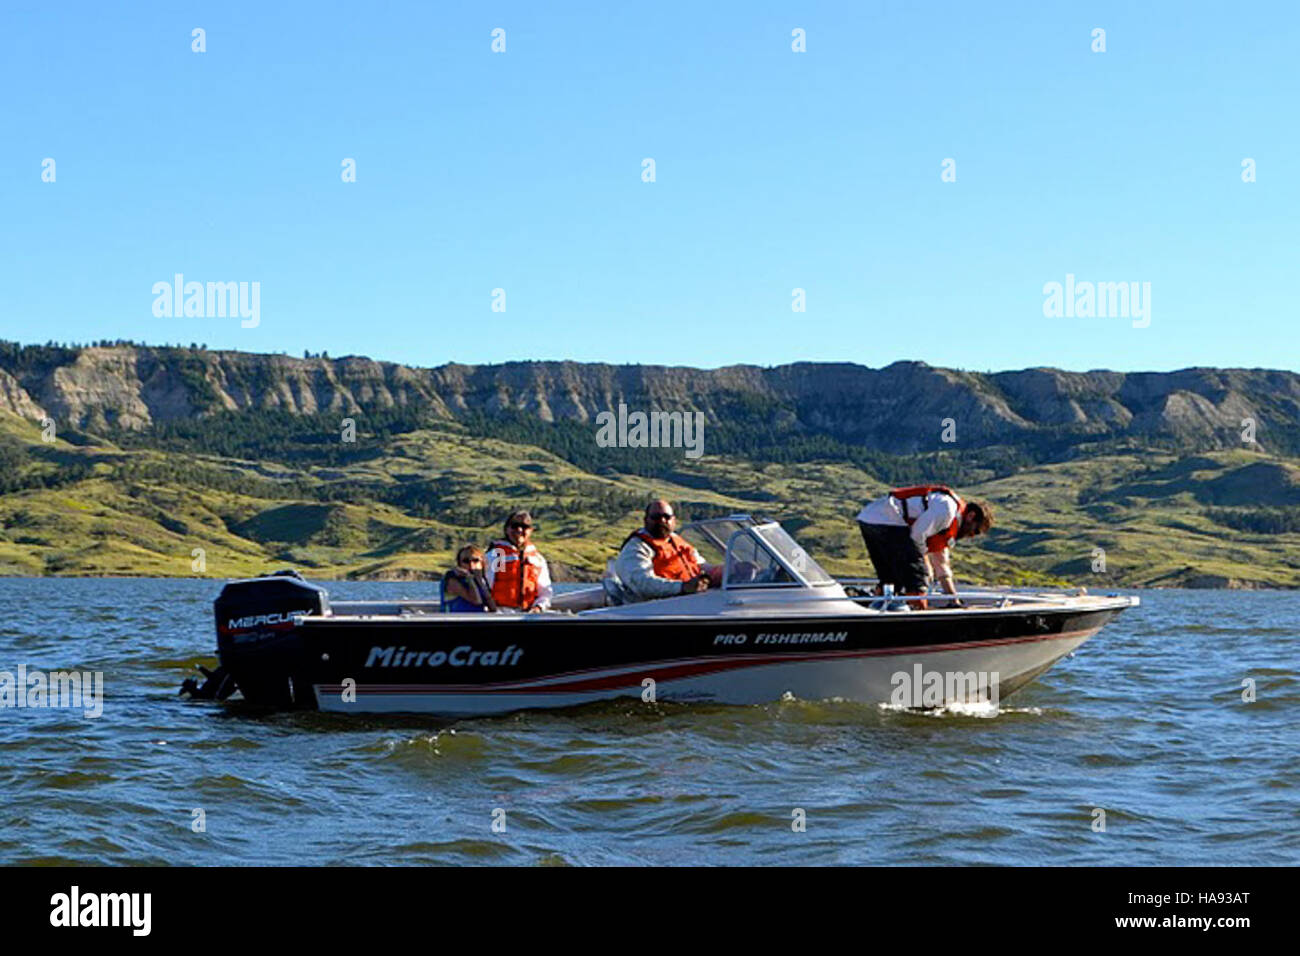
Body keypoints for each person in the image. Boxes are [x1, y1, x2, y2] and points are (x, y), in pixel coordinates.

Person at [856, 485, 993, 607]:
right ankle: (917, 610)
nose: (972, 536)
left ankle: (879, 605)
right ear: (971, 516)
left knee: (891, 578)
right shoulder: (947, 511)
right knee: (918, 578)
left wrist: (953, 599)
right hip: (888, 519)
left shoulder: (948, 525)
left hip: (869, 519)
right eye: (976, 531)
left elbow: (941, 565)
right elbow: (917, 536)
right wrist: (924, 566)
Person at [613, 499, 721, 601]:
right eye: (656, 517)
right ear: (646, 520)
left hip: (692, 599)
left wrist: (720, 572)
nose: (662, 520)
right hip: (659, 606)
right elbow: (641, 582)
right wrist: (682, 587)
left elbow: (700, 565)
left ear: (674, 520)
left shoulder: (677, 541)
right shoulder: (636, 547)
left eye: (667, 517)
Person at [484, 510, 553, 611]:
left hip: (529, 614)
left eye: (524, 527)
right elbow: (485, 587)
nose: (519, 530)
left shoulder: (538, 559)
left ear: (530, 530)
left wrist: (539, 607)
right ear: (506, 529)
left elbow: (545, 592)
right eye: (514, 526)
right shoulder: (495, 556)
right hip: (499, 613)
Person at [442, 545, 499, 613]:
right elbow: (476, 601)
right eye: (466, 561)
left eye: (475, 560)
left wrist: (479, 580)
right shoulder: (452, 579)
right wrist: (470, 578)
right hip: (459, 618)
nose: (471, 564)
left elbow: (493, 608)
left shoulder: (482, 580)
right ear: (459, 564)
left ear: (482, 563)